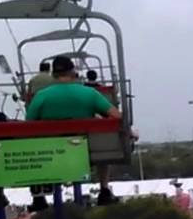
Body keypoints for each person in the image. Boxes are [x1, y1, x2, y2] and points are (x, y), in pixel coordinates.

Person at [25, 55, 122, 205]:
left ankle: (38, 195)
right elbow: (117, 116)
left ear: (53, 75)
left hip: (50, 152)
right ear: (73, 72)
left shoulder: (41, 96)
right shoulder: (89, 93)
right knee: (102, 144)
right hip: (86, 150)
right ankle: (104, 189)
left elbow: (28, 124)